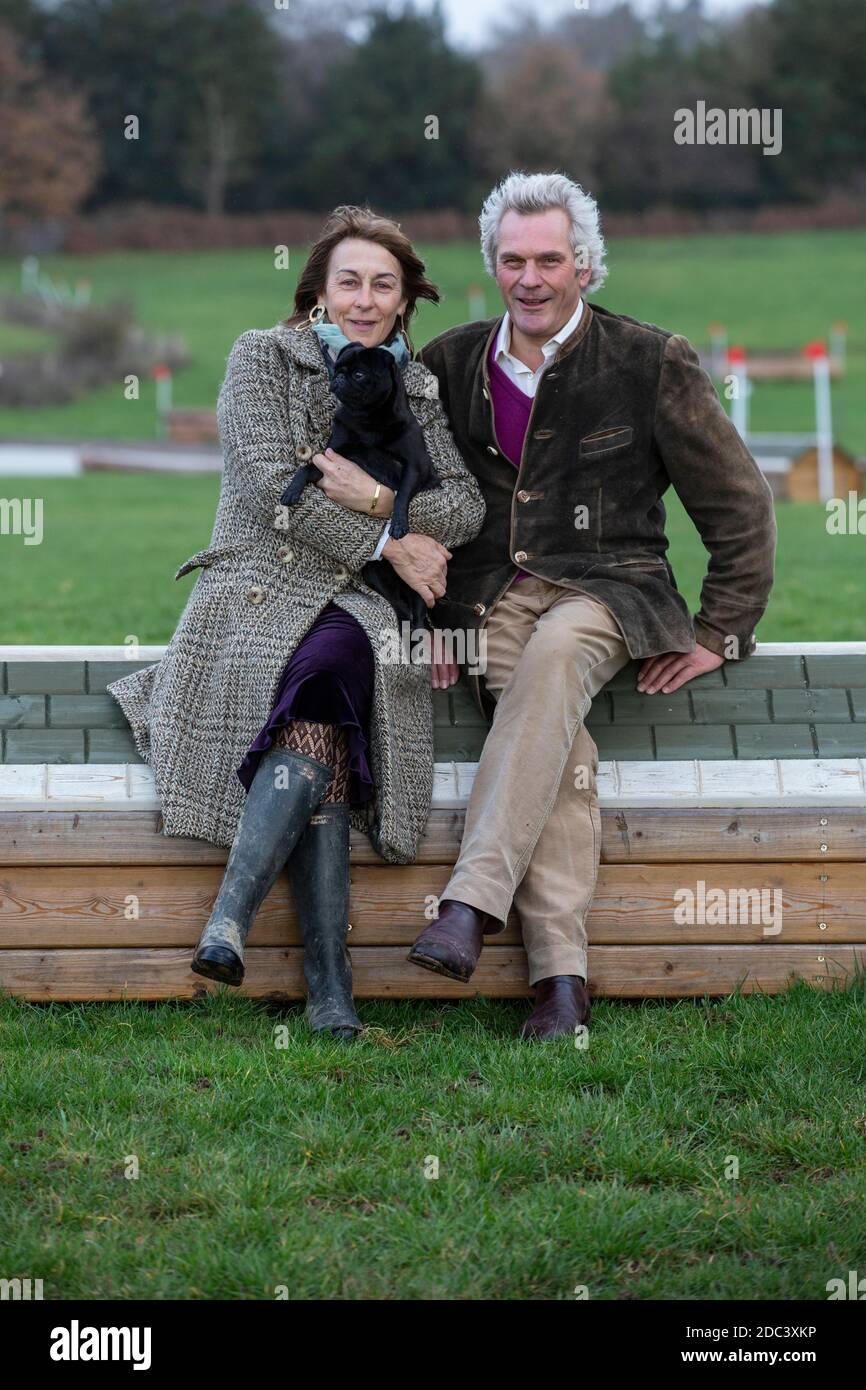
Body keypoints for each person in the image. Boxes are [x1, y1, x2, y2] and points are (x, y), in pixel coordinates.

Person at [408, 171, 777, 1039]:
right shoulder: (450, 363)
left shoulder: (650, 360)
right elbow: (412, 501)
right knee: (558, 746)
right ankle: (561, 984)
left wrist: (722, 627)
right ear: (493, 264)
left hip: (610, 590)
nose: (529, 278)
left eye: (549, 259)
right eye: (512, 261)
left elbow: (740, 503)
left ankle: (468, 903)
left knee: (557, 655)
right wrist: (418, 617)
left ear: (584, 265)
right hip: (487, 597)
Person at [108, 205, 485, 1042]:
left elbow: (464, 502)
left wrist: (384, 503)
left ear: (402, 299)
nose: (365, 297)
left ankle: (230, 921)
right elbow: (268, 483)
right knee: (324, 704)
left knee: (331, 670)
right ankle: (327, 985)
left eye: (383, 284)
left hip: (362, 602)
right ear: (317, 290)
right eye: (348, 280)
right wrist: (395, 541)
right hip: (256, 583)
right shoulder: (260, 358)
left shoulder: (415, 384)